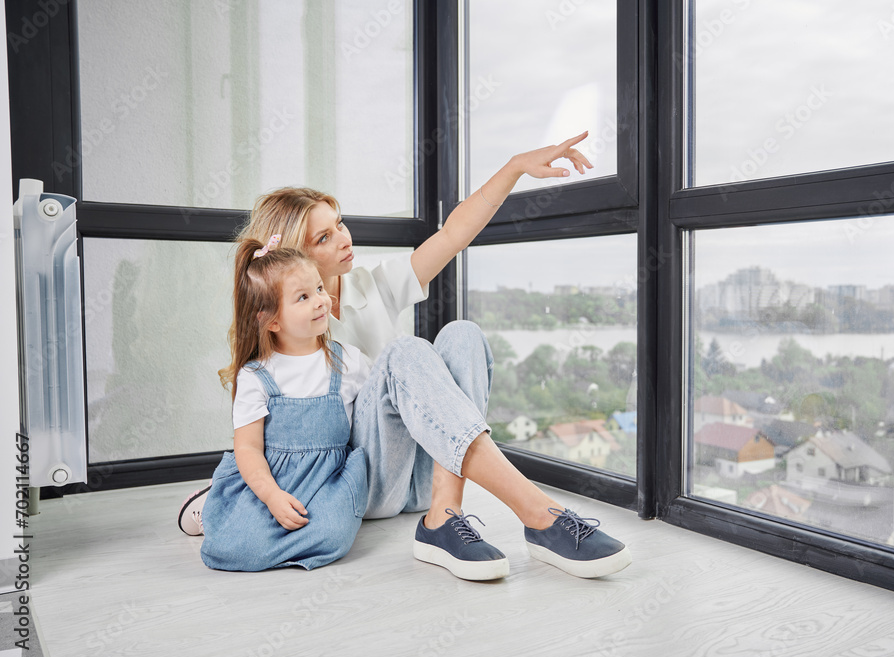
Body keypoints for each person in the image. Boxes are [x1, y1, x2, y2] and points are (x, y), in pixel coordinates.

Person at [184, 131, 632, 578]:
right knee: (404, 350)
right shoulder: (289, 329)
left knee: (463, 334)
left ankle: (443, 517)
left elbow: (453, 234)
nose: (344, 238)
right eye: (324, 238)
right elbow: (270, 434)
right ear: (289, 258)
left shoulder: (372, 285)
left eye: (339, 223)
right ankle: (541, 514)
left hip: (425, 476)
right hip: (359, 483)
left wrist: (514, 167)